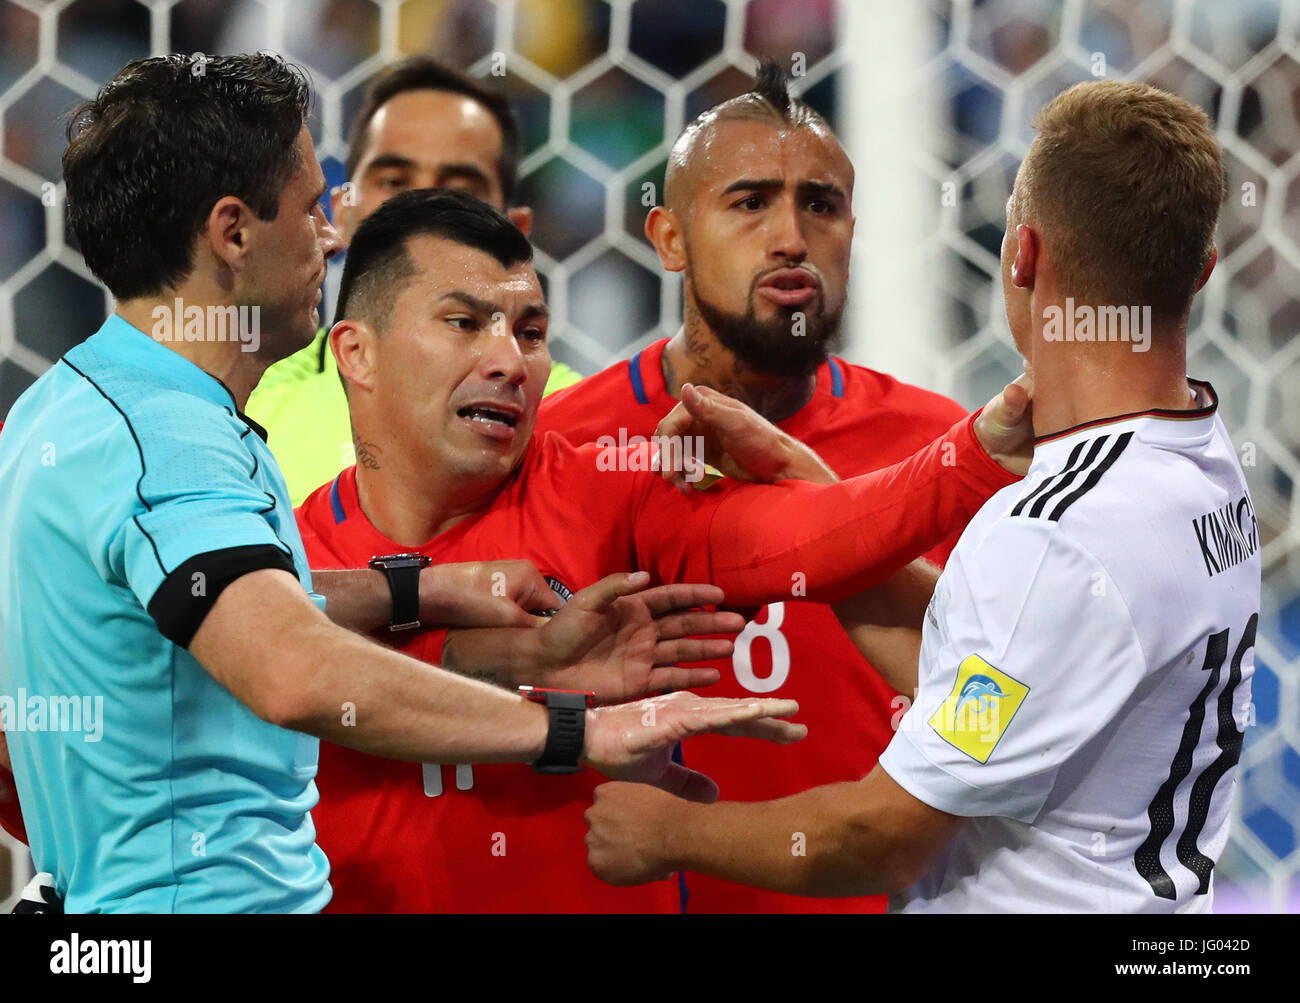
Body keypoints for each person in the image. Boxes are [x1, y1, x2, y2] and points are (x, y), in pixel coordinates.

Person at [0, 53, 802, 914]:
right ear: (233, 233)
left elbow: (205, 602)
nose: (332, 235)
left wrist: (417, 587)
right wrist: (578, 729)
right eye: (312, 207)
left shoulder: (67, 406)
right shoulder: (173, 440)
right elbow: (290, 667)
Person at [583, 79, 1260, 914]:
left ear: (1024, 256)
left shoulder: (1058, 531)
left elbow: (882, 834)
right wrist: (807, 491)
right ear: (1201, 272)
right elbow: (997, 670)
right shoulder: (1202, 455)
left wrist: (667, 833)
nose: (789, 237)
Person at [293, 186, 1031, 912]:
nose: (510, 362)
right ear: (356, 352)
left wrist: (970, 452)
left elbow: (807, 537)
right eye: (464, 322)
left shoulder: (613, 488)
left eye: (530, 331)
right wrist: (506, 660)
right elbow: (285, 666)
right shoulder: (281, 550)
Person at [534, 61, 968, 913]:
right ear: (666, 237)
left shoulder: (939, 448)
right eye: (749, 202)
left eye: (821, 204)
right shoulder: (559, 445)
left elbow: (996, 702)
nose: (791, 237)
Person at [246, 56, 581, 505]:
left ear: (514, 232)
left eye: (459, 187)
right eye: (394, 179)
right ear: (341, 212)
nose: (421, 205)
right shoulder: (246, 402)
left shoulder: (581, 419)